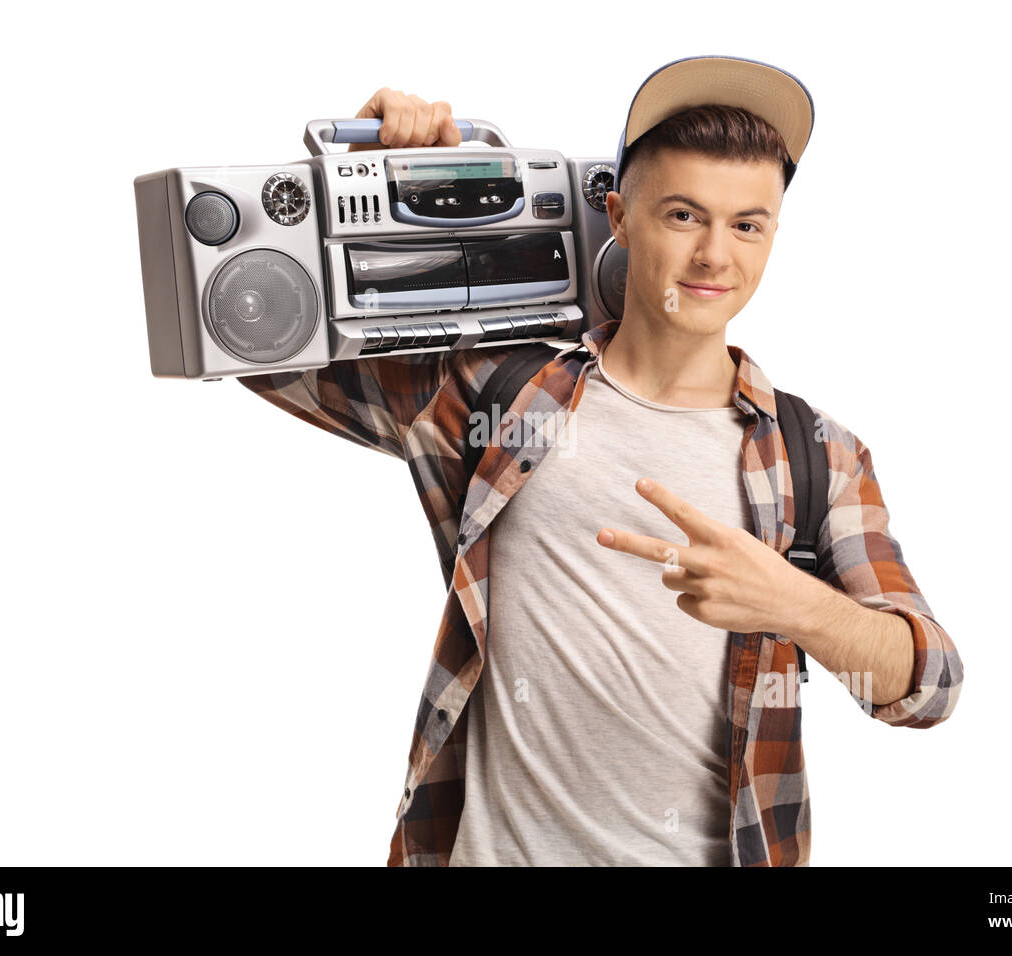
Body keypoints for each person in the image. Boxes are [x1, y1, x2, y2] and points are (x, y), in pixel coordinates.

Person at [239, 55, 964, 866]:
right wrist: (376, 182)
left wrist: (792, 601)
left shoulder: (819, 455)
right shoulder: (495, 394)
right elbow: (254, 344)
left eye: (747, 224)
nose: (715, 257)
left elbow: (929, 687)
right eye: (684, 215)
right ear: (618, 217)